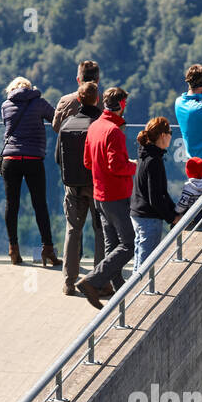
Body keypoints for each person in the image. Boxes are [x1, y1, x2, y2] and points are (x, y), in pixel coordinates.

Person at [76, 87, 137, 309]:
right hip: (117, 195)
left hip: (99, 195)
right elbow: (116, 166)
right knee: (129, 244)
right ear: (121, 105)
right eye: (125, 104)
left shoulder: (94, 127)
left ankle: (118, 292)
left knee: (112, 245)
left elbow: (87, 162)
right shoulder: (114, 131)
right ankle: (91, 281)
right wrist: (133, 166)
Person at [0, 76, 61, 266]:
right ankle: (48, 249)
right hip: (33, 158)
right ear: (29, 88)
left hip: (10, 159)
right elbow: (55, 118)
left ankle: (13, 249)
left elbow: (7, 127)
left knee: (12, 204)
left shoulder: (5, 105)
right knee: (39, 204)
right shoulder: (39, 102)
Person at [55, 80, 109, 295]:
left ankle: (68, 283)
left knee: (73, 231)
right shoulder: (100, 125)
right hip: (96, 186)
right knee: (100, 232)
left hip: (72, 187)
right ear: (98, 99)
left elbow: (59, 158)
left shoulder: (67, 124)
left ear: (78, 100)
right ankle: (99, 282)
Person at [130, 117, 178, 272]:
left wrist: (174, 211)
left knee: (139, 258)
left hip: (138, 213)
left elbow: (161, 192)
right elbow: (156, 198)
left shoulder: (145, 154)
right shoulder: (154, 160)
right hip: (148, 217)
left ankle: (133, 292)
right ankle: (139, 294)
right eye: (170, 132)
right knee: (146, 265)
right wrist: (172, 217)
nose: (171, 136)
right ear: (163, 135)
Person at [52, 59, 100, 132]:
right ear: (98, 80)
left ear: (78, 80)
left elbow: (56, 127)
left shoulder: (65, 101)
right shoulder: (107, 102)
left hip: (70, 143)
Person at [175, 157, 202, 224]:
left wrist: (176, 211)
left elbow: (182, 204)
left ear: (188, 172)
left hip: (191, 213)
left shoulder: (188, 187)